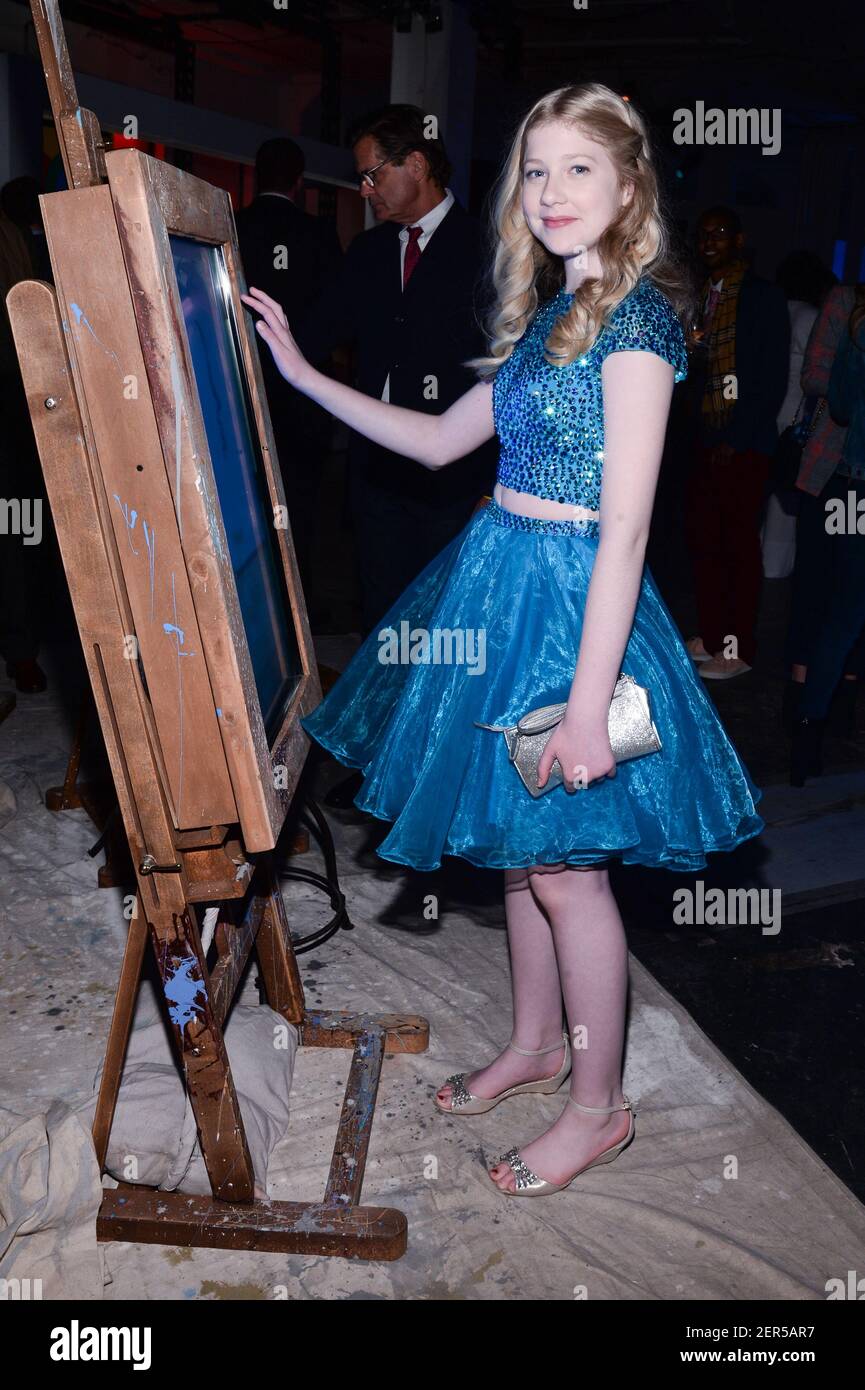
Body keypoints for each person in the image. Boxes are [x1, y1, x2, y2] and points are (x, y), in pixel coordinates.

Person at [242, 83, 764, 1199]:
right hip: (496, 587)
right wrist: (300, 374)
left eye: (580, 168)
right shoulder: (544, 320)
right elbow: (436, 440)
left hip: (577, 612)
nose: (552, 190)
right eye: (536, 169)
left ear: (628, 188)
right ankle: (535, 1045)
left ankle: (598, 1106)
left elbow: (624, 528)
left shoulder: (638, 324)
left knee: (571, 875)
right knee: (528, 861)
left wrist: (586, 707)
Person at [291, 104, 497, 811]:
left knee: (450, 629)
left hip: (459, 478)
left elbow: (513, 376)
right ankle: (383, 763)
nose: (364, 191)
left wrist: (499, 482)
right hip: (378, 473)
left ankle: (437, 771)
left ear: (416, 164)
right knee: (386, 620)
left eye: (372, 174)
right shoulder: (370, 253)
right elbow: (318, 333)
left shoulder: (489, 249)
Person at [234, 138, 343, 627]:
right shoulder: (317, 234)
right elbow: (333, 317)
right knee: (298, 502)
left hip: (239, 387)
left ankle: (247, 604)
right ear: (299, 182)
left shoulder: (232, 226)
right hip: (301, 394)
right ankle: (295, 612)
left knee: (243, 496)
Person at [683, 207, 790, 679]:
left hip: (744, 442)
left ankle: (739, 648)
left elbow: (769, 378)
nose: (710, 242)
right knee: (704, 542)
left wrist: (737, 435)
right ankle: (712, 635)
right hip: (703, 438)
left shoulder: (762, 297)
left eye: (720, 234)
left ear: (740, 241)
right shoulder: (700, 296)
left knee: (738, 548)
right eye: (704, 234)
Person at [783, 281, 865, 746]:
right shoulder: (846, 301)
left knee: (851, 601)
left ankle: (832, 714)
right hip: (833, 472)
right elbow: (816, 379)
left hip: (853, 477)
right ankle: (804, 711)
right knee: (820, 588)